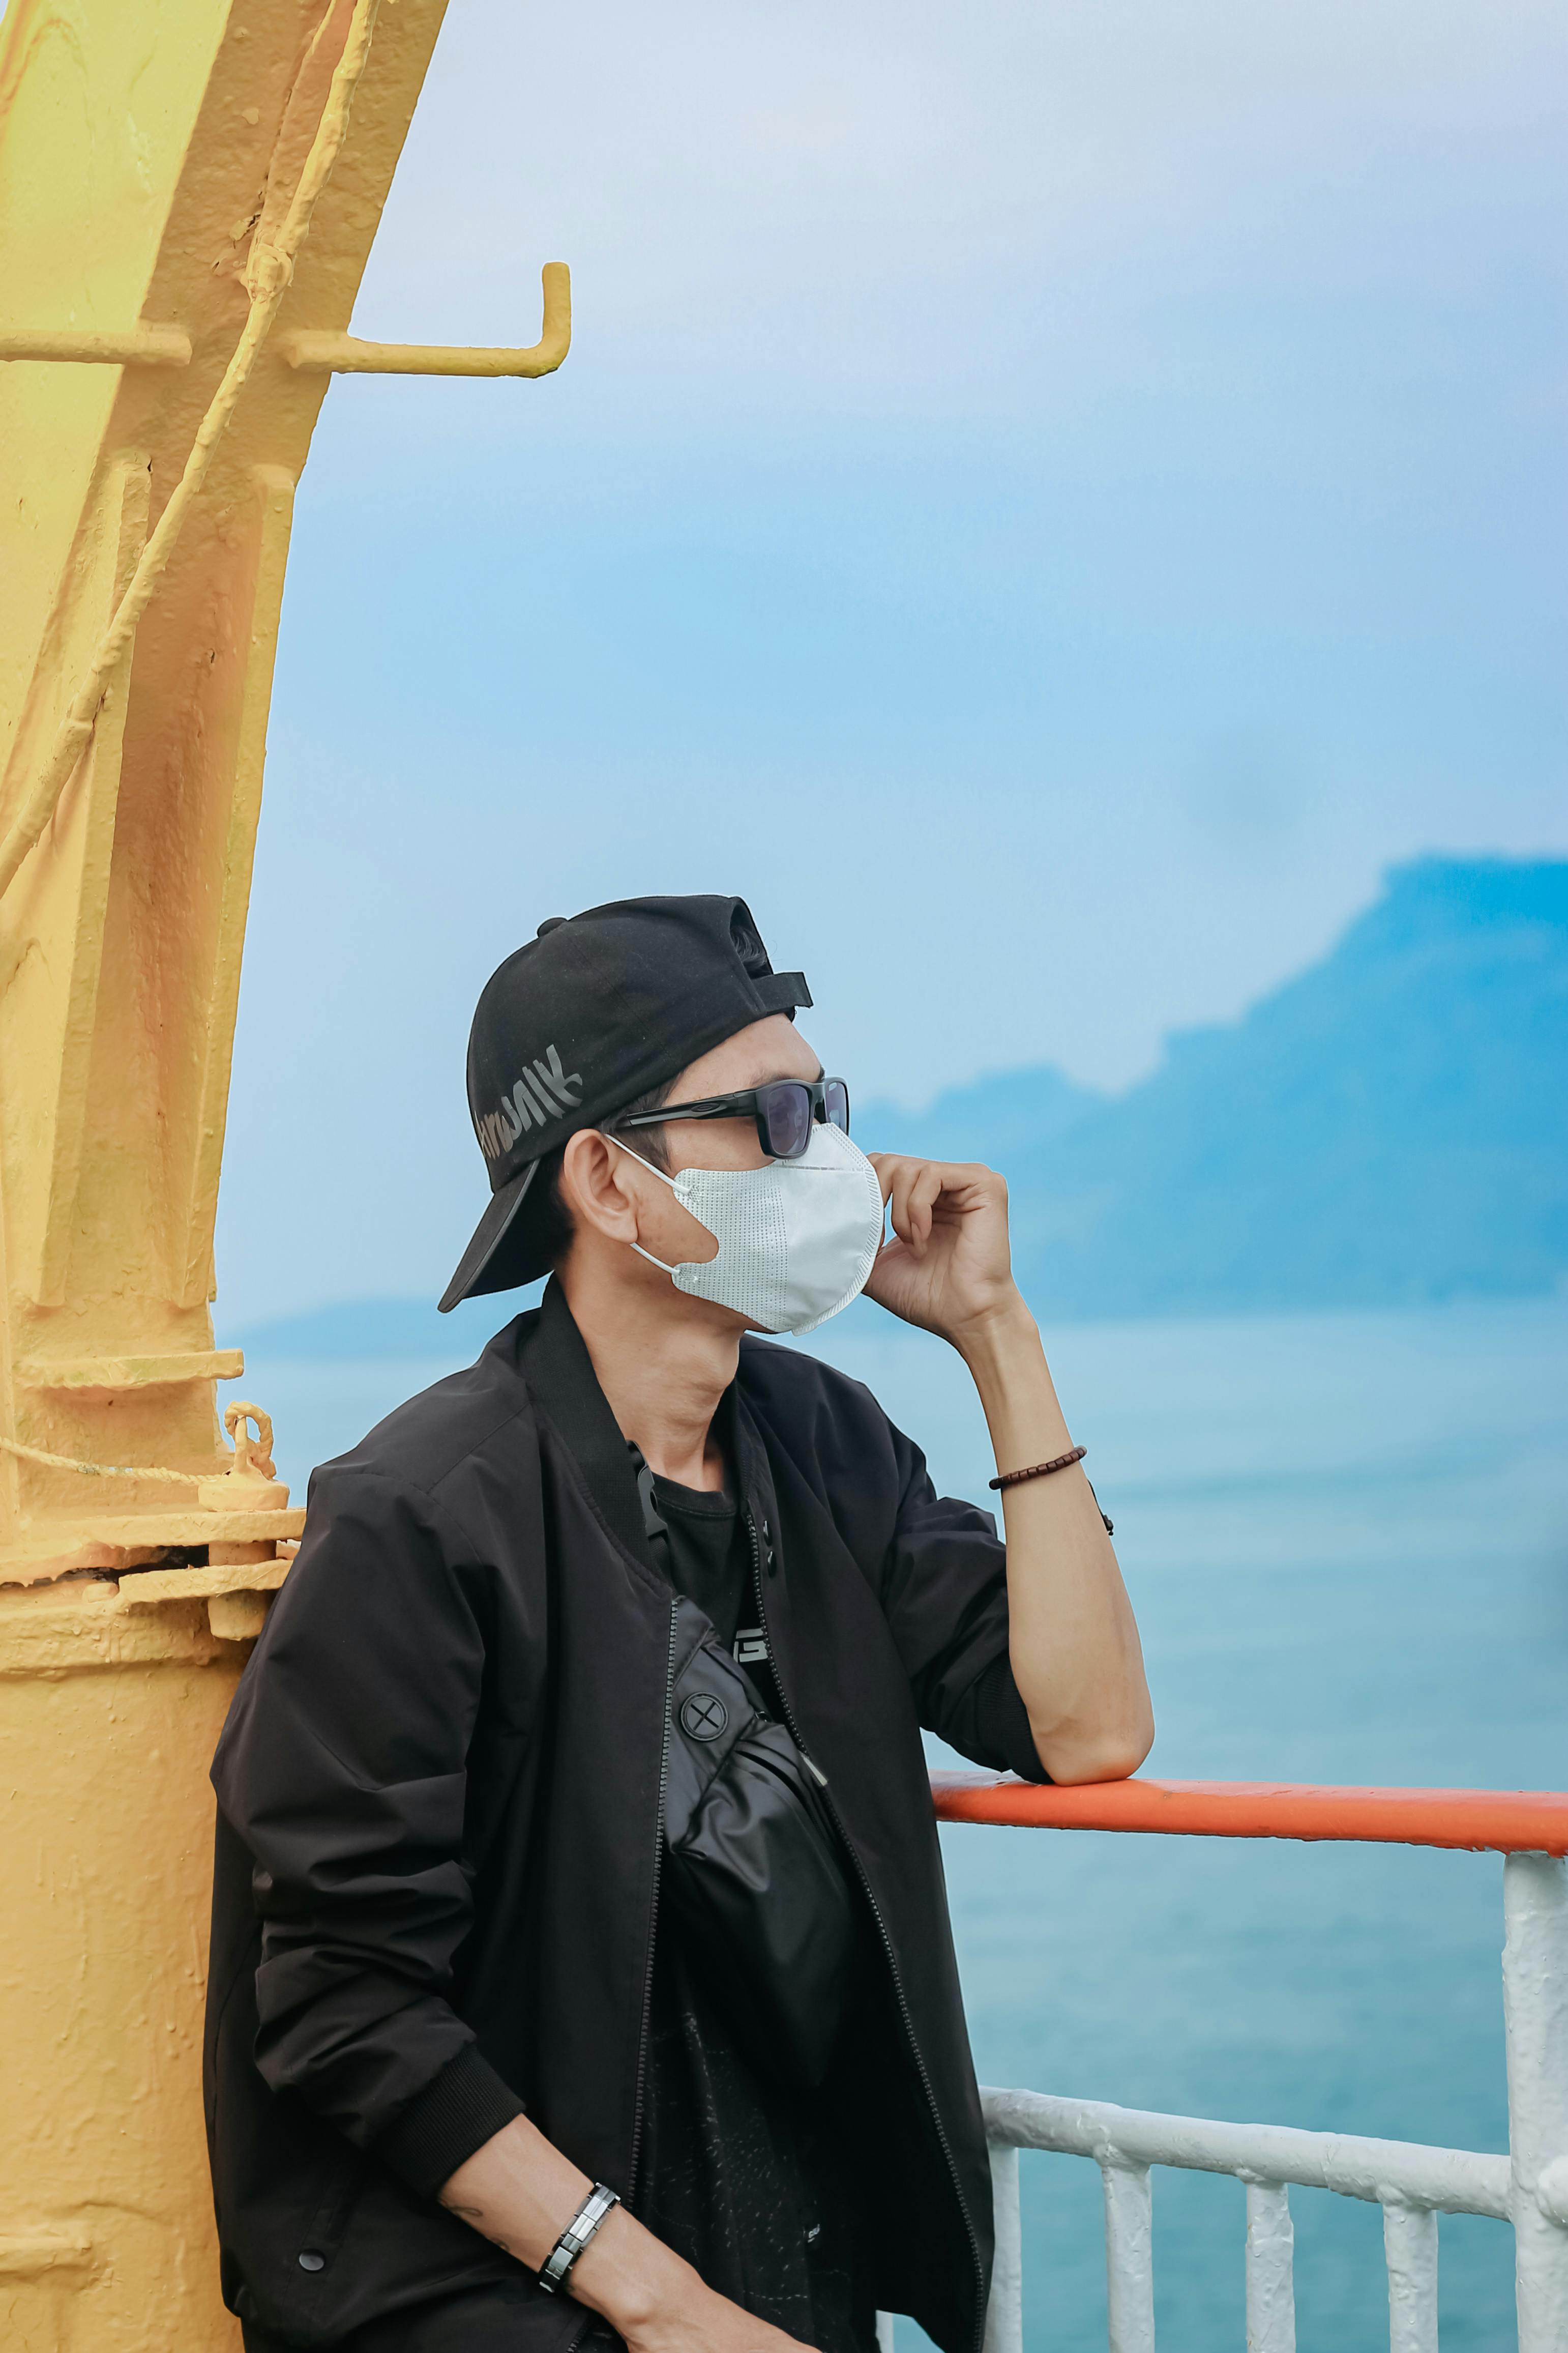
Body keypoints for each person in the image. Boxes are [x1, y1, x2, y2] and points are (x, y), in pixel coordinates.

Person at [205, 894, 1153, 2353]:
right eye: (773, 1116)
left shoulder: (822, 1446)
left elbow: (1085, 1729)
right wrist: (661, 2305)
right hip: (525, 2308)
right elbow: (341, 1998)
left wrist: (994, 1334)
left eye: (828, 1106)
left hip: (790, 2281)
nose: (828, 1154)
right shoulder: (423, 1511)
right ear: (606, 1178)